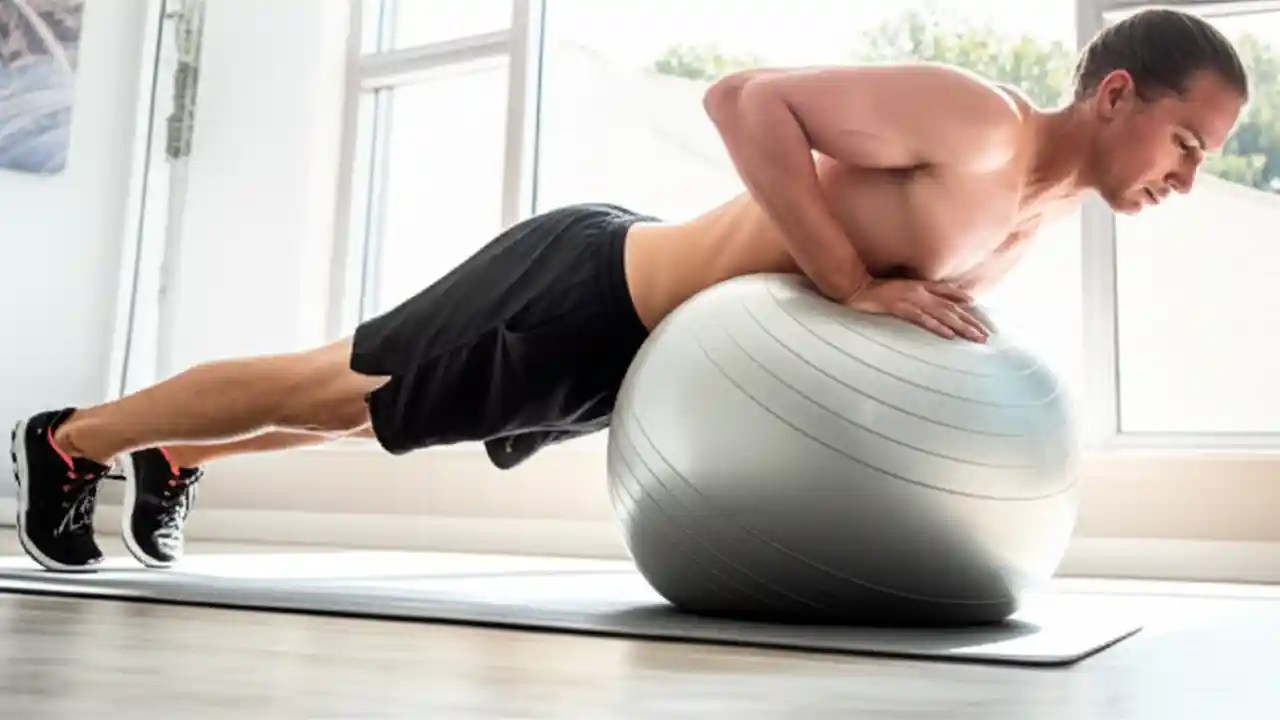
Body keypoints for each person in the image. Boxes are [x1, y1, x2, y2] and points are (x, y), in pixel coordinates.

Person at [11, 8, 1248, 572]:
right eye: (1187, 143)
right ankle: (73, 440)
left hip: (626, 356)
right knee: (333, 382)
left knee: (370, 417)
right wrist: (846, 282)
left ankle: (178, 458)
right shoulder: (974, 123)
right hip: (590, 285)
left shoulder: (1028, 222)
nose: (1186, 180)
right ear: (1116, 95)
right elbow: (744, 99)